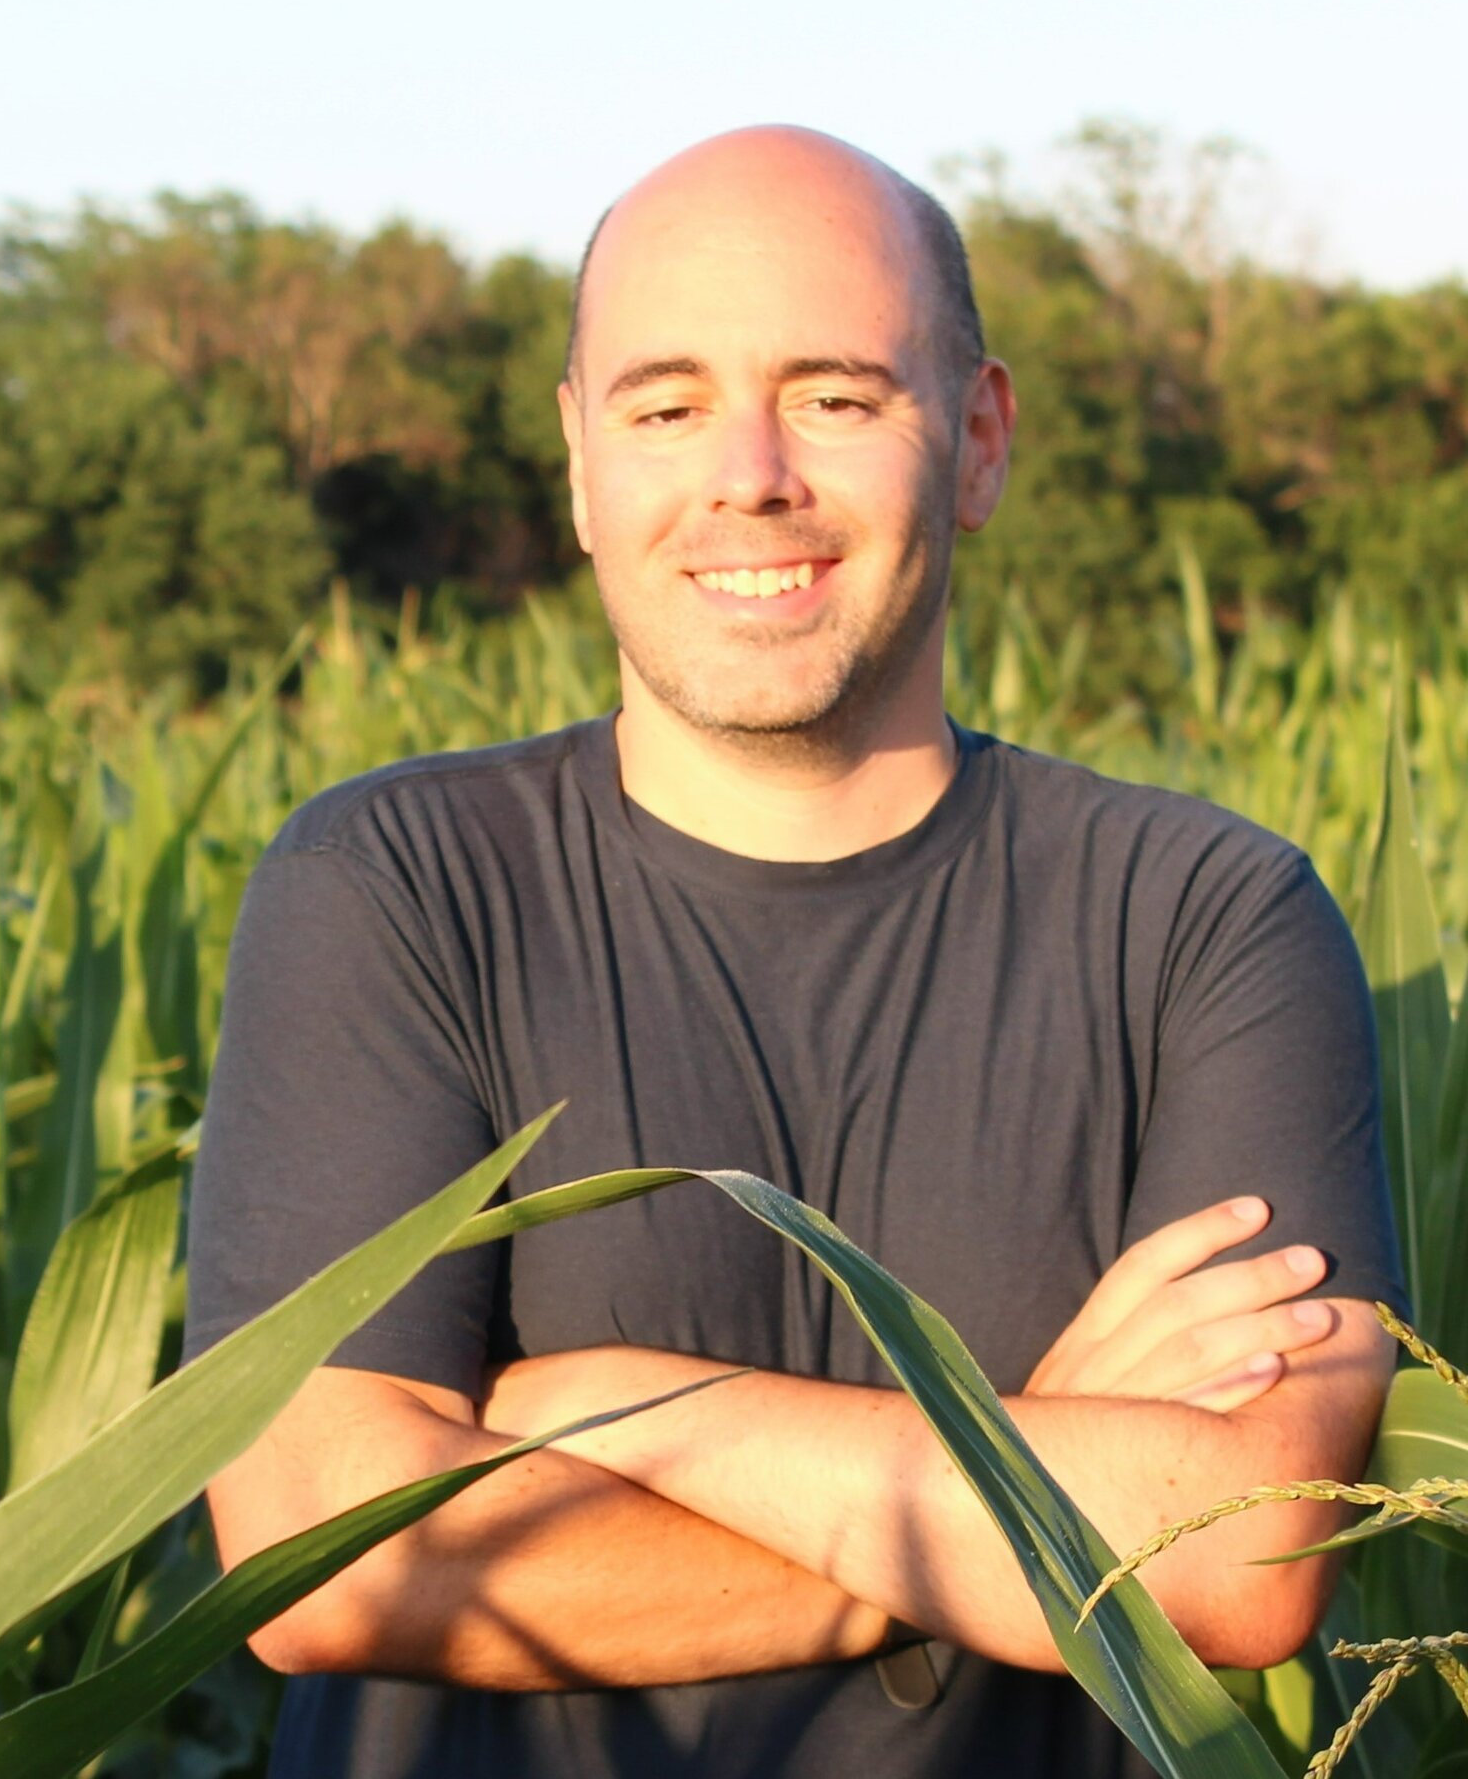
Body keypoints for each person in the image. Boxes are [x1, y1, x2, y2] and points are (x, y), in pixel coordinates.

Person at [182, 125, 1404, 1778]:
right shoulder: (395, 888)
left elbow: (1250, 1556)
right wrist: (1026, 1480)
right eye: (667, 405)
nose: (747, 472)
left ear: (975, 441)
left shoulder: (1205, 917)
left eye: (836, 396)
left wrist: (615, 1405)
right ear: (579, 461)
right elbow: (325, 1549)